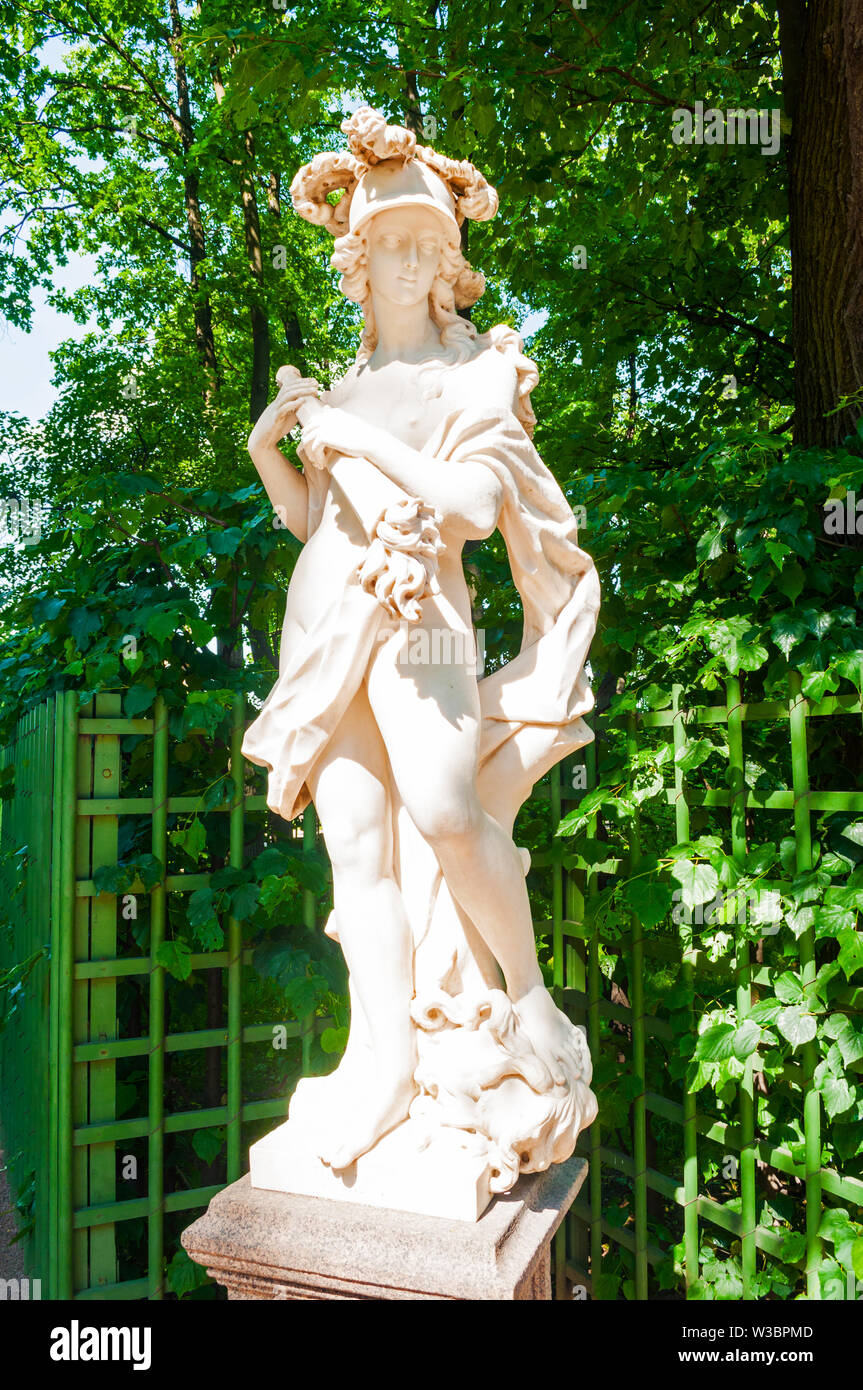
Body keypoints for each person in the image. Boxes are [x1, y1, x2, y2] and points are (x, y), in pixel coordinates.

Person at [242, 108, 599, 1183]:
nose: (401, 261)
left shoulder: (477, 372)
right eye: (382, 245)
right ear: (355, 262)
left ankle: (528, 1001)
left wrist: (350, 441)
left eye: (420, 245)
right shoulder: (344, 386)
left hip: (420, 624)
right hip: (323, 618)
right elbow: (318, 522)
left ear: (447, 262)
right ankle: (382, 1057)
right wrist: (278, 453)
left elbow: (475, 509)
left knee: (444, 812)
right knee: (356, 846)